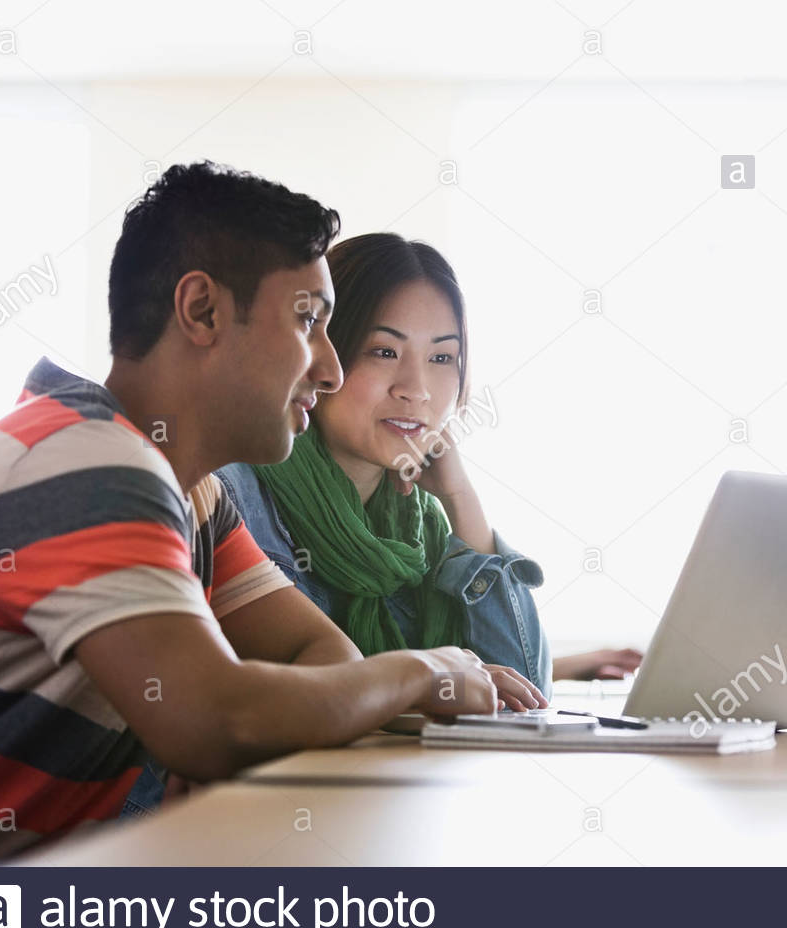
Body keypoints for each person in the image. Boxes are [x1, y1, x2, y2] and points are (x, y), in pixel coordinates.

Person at [0, 163, 502, 862]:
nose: (329, 369)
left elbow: (321, 656)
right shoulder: (84, 460)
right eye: (309, 321)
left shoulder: (192, 491)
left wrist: (236, 718)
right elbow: (217, 720)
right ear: (202, 311)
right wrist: (423, 670)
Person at [216, 233, 641, 704]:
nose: (416, 388)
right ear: (323, 356)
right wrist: (419, 684)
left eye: (442, 357)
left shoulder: (422, 531)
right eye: (384, 351)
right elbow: (268, 702)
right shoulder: (233, 495)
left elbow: (527, 700)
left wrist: (462, 500)